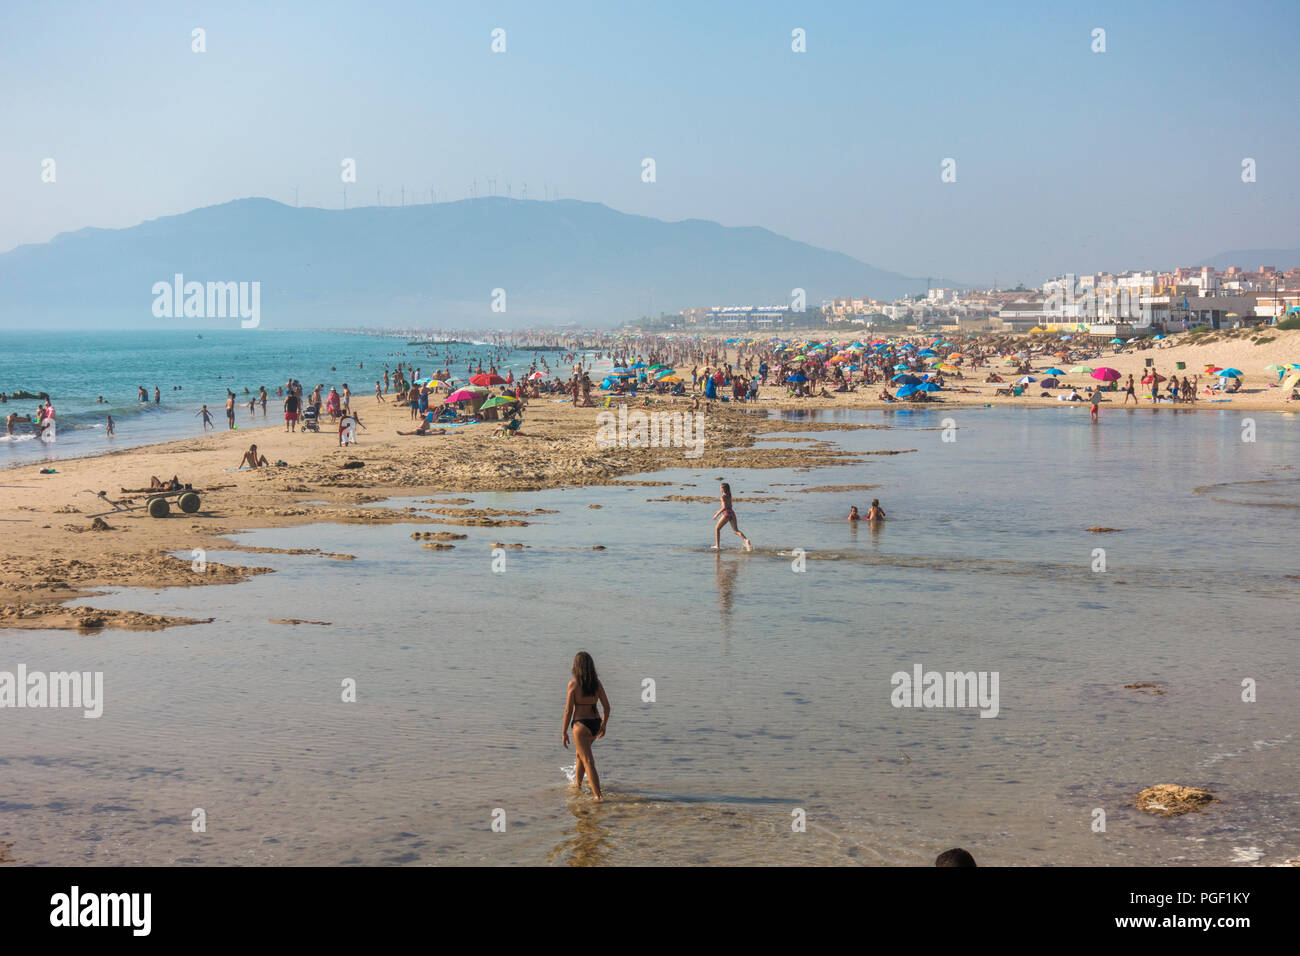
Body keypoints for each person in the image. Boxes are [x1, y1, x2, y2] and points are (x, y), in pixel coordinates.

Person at [562, 651, 610, 802]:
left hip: (580, 726)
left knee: (588, 760)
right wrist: (603, 725)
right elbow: (607, 707)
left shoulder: (574, 684)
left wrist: (564, 732)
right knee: (580, 754)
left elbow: (568, 710)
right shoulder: (597, 683)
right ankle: (578, 785)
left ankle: (598, 796)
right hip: (595, 724)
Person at [712, 481, 752, 551]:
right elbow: (729, 505)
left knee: (717, 528)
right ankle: (746, 539)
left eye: (720, 488)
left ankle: (717, 546)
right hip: (732, 513)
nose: (720, 489)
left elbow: (724, 507)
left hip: (726, 513)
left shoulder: (722, 497)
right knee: (736, 530)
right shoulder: (729, 495)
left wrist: (717, 514)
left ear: (723, 489)